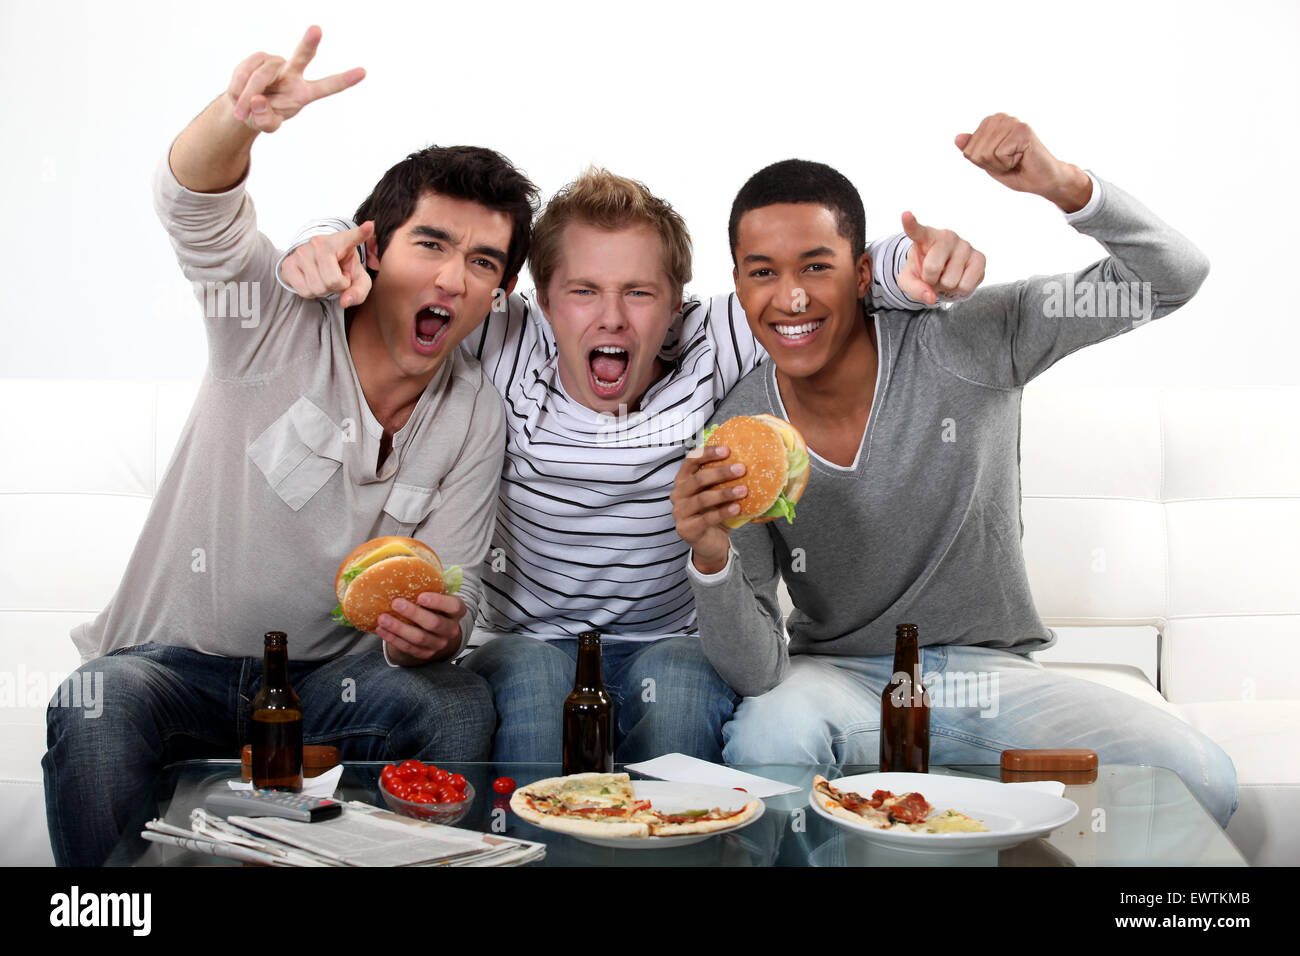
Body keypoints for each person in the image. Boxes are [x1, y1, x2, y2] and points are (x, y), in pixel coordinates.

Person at [278, 166, 985, 763]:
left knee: (677, 715)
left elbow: (820, 279)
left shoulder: (711, 339)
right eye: (583, 290)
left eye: (639, 293)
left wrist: (910, 264)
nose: (611, 318)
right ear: (540, 299)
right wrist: (320, 242)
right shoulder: (502, 334)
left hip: (669, 639)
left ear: (677, 303)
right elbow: (401, 260)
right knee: (531, 716)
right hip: (528, 637)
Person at [42, 27, 531, 866]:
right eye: (432, 245)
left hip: (324, 687)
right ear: (371, 247)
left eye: (482, 262)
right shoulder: (273, 318)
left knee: (452, 703)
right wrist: (240, 120)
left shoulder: (476, 414)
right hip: (168, 666)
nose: (453, 280)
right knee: (96, 703)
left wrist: (434, 632)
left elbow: (449, 594)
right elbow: (192, 206)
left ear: (502, 290)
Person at [672, 113, 1239, 826]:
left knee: (1201, 779)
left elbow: (1171, 279)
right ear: (737, 283)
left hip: (992, 680)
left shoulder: (968, 335)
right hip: (843, 684)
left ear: (863, 272)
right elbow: (756, 672)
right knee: (767, 737)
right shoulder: (738, 434)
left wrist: (1064, 186)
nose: (790, 298)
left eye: (816, 266)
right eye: (763, 273)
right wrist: (711, 553)